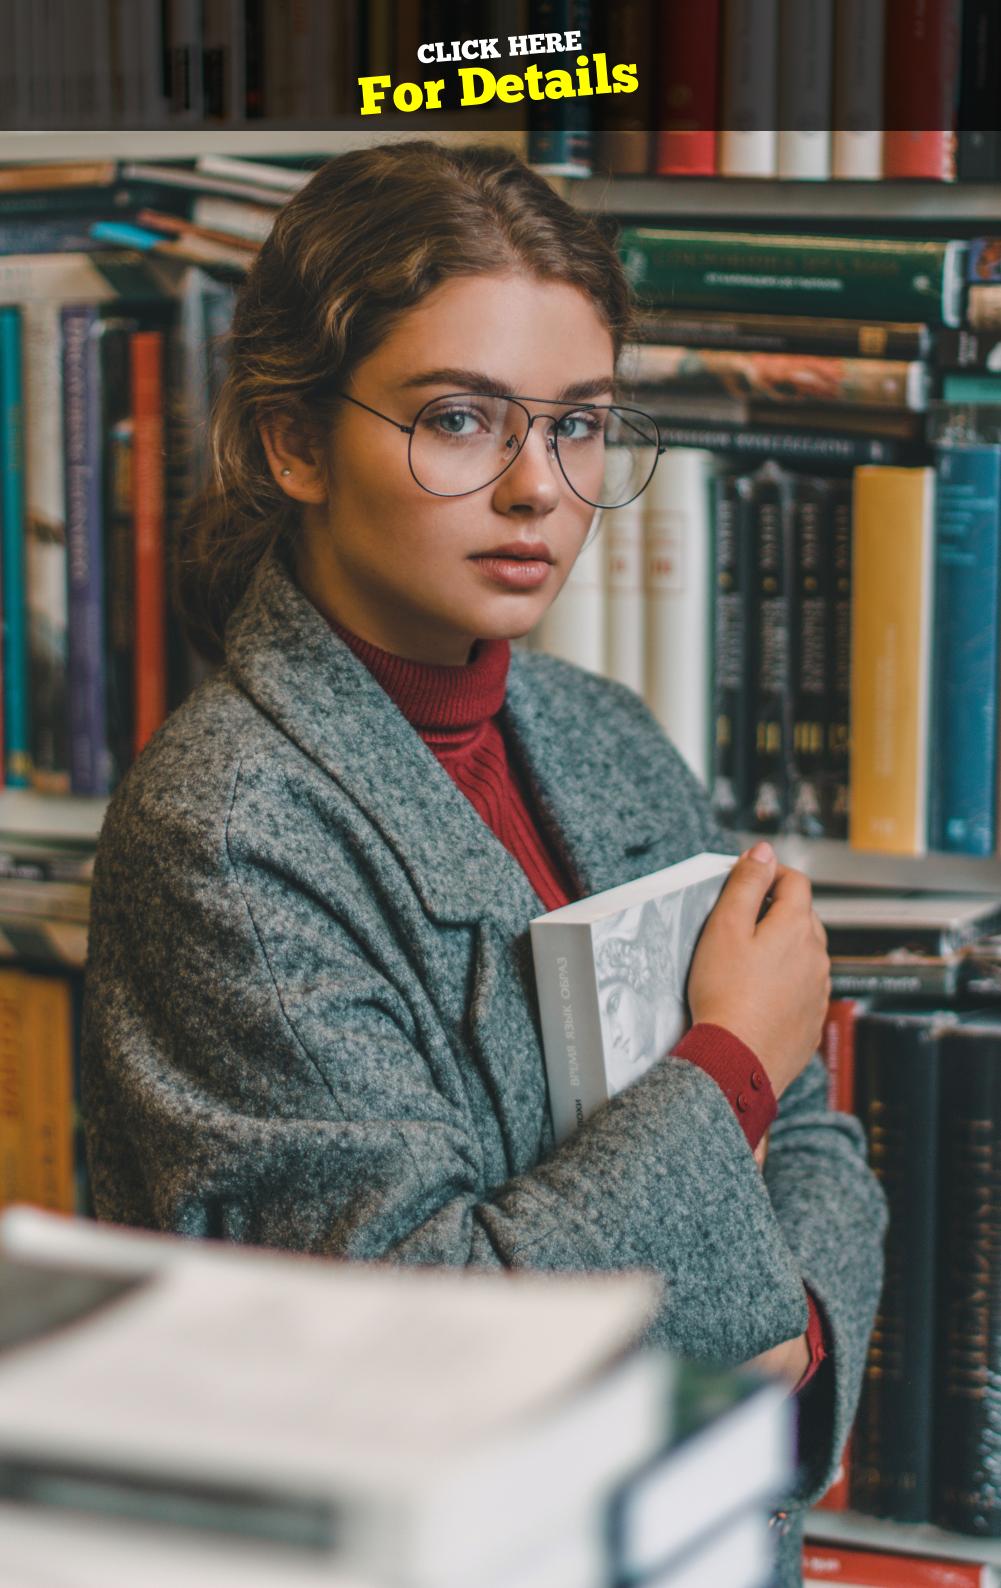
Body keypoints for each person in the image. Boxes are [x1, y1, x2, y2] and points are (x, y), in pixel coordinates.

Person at [81, 140, 887, 1588]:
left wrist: (796, 1335)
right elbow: (419, 1342)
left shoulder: (604, 733)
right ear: (293, 441)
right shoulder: (225, 827)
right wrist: (728, 1078)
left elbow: (818, 1144)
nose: (537, 489)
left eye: (577, 426)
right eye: (460, 419)